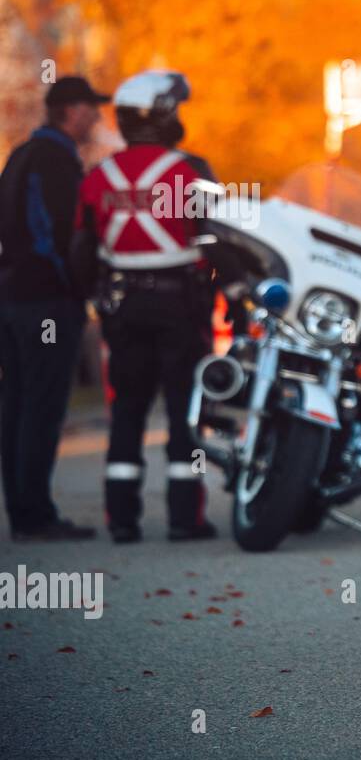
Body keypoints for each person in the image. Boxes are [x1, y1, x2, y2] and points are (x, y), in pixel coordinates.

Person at [70, 70, 218, 543]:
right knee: (184, 411)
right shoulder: (190, 171)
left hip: (123, 309)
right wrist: (234, 294)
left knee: (127, 409)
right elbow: (219, 241)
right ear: (164, 116)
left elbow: (80, 250)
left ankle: (123, 519)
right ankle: (183, 518)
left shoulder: (98, 176)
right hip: (181, 307)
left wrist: (92, 298)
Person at [0, 76, 108, 541]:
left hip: (13, 297)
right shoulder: (55, 160)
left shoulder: (20, 156)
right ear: (71, 110)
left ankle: (24, 512)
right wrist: (81, 290)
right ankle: (35, 516)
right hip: (46, 301)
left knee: (17, 404)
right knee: (41, 407)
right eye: (92, 108)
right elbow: (64, 238)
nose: (98, 117)